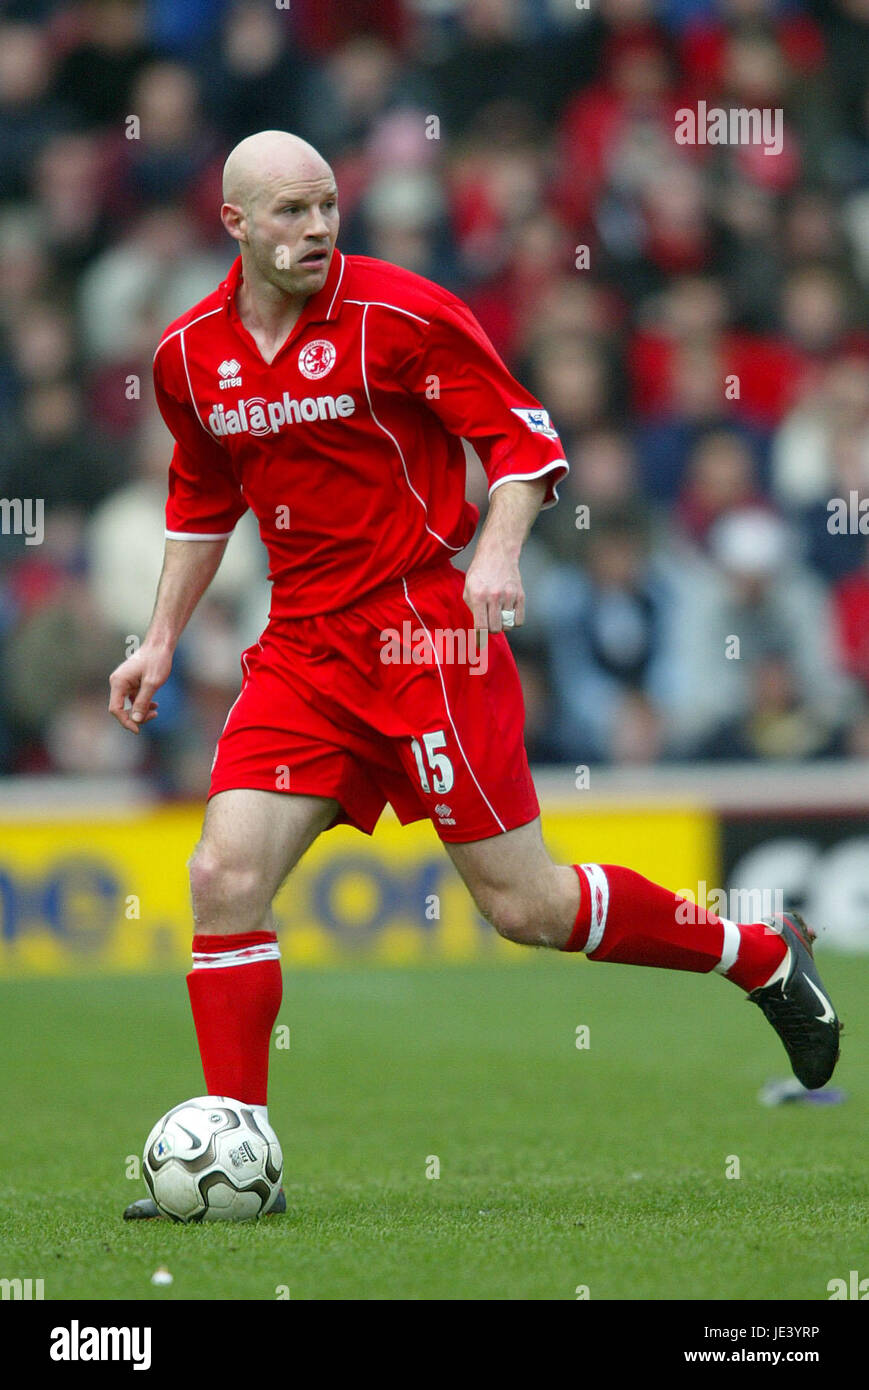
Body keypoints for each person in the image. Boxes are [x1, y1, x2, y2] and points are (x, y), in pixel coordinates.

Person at [108, 132, 841, 1219]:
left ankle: (752, 952)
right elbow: (200, 499)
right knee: (221, 878)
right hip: (302, 647)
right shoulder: (186, 355)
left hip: (424, 634)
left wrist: (493, 555)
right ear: (236, 225)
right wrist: (160, 636)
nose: (316, 229)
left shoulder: (401, 312)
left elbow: (525, 443)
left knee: (525, 908)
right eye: (290, 213)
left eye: (327, 207)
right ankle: (237, 1145)